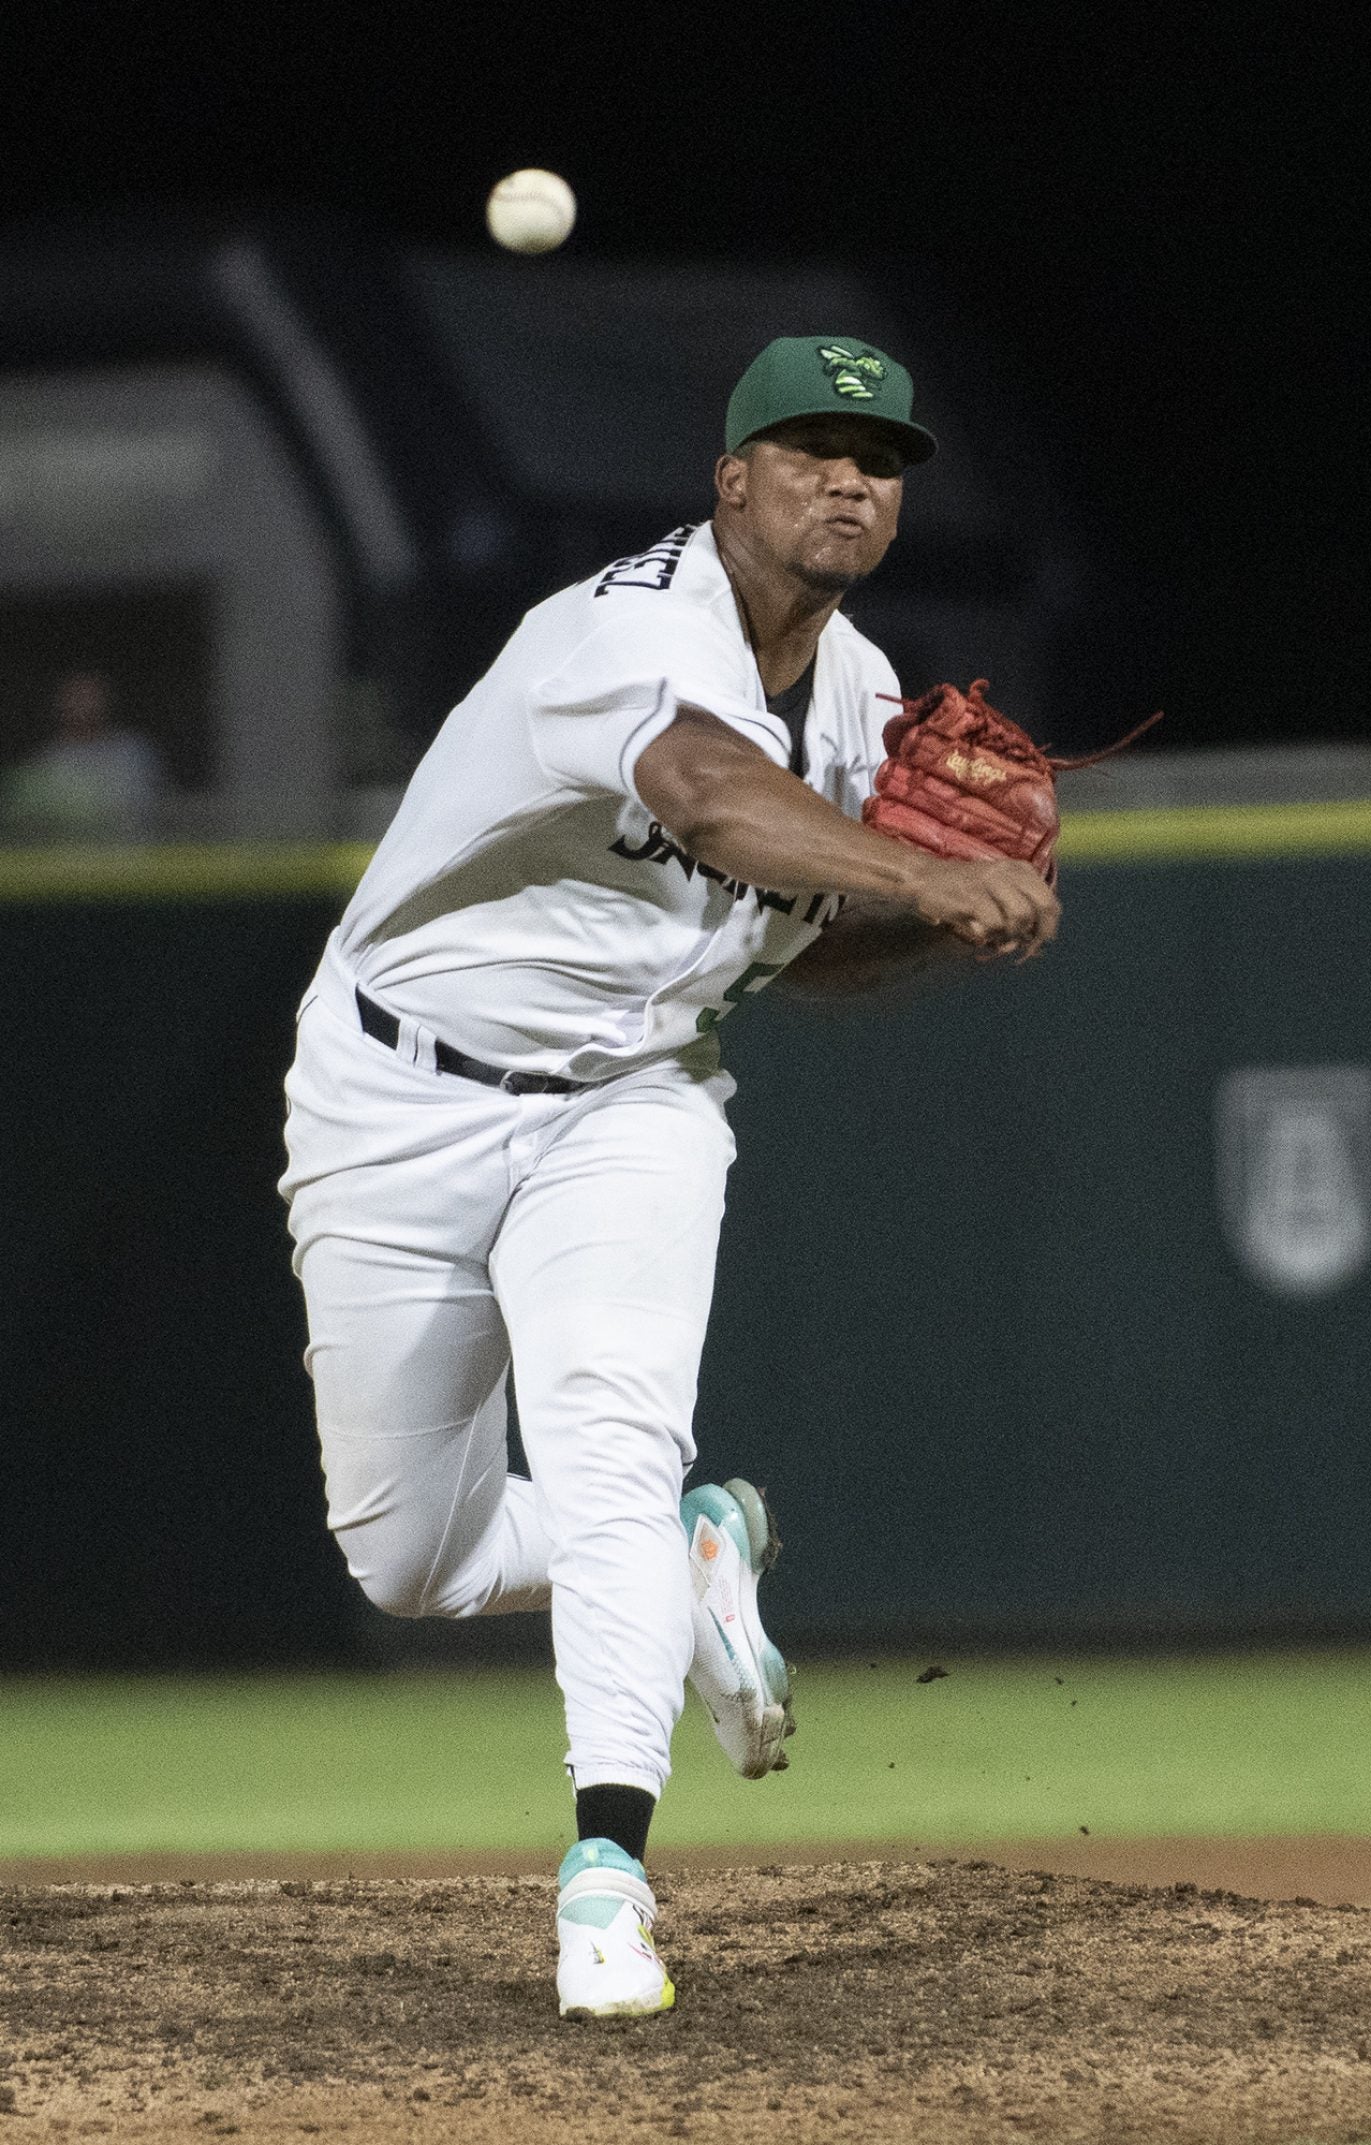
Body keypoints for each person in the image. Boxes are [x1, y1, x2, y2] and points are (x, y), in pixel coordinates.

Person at [279, 335, 1059, 2019]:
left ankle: (607, 1881)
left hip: (635, 1100)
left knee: (612, 1441)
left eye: (880, 459)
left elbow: (802, 939)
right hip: (399, 1087)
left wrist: (936, 923)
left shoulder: (859, 700)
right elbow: (706, 795)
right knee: (410, 1559)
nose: (849, 479)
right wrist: (921, 868)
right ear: (731, 480)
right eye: (812, 448)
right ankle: (689, 1553)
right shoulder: (622, 630)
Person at [0, 670, 163, 841]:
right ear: (61, 704)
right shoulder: (47, 760)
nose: (84, 705)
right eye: (76, 697)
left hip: (127, 848)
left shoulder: (132, 751)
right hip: (66, 851)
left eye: (90, 696)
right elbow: (32, 821)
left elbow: (152, 808)